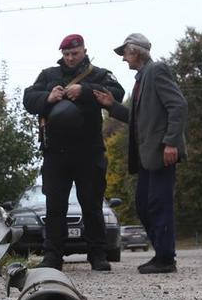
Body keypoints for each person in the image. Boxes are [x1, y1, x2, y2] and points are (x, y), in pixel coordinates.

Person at [24, 34, 125, 271]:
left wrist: (86, 90)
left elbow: (116, 93)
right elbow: (28, 98)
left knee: (91, 204)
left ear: (84, 51)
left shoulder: (98, 74)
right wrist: (48, 97)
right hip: (55, 152)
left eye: (74, 53)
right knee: (55, 206)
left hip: (88, 151)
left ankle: (98, 255)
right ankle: (52, 257)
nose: (70, 58)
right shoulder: (49, 75)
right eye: (66, 54)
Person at [94, 33, 188, 274]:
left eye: (125, 53)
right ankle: (162, 254)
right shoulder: (141, 79)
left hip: (161, 153)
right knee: (144, 205)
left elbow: (178, 105)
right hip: (147, 156)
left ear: (136, 52)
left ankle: (166, 259)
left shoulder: (156, 70)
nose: (124, 59)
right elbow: (137, 120)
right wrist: (111, 106)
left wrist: (171, 143)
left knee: (158, 203)